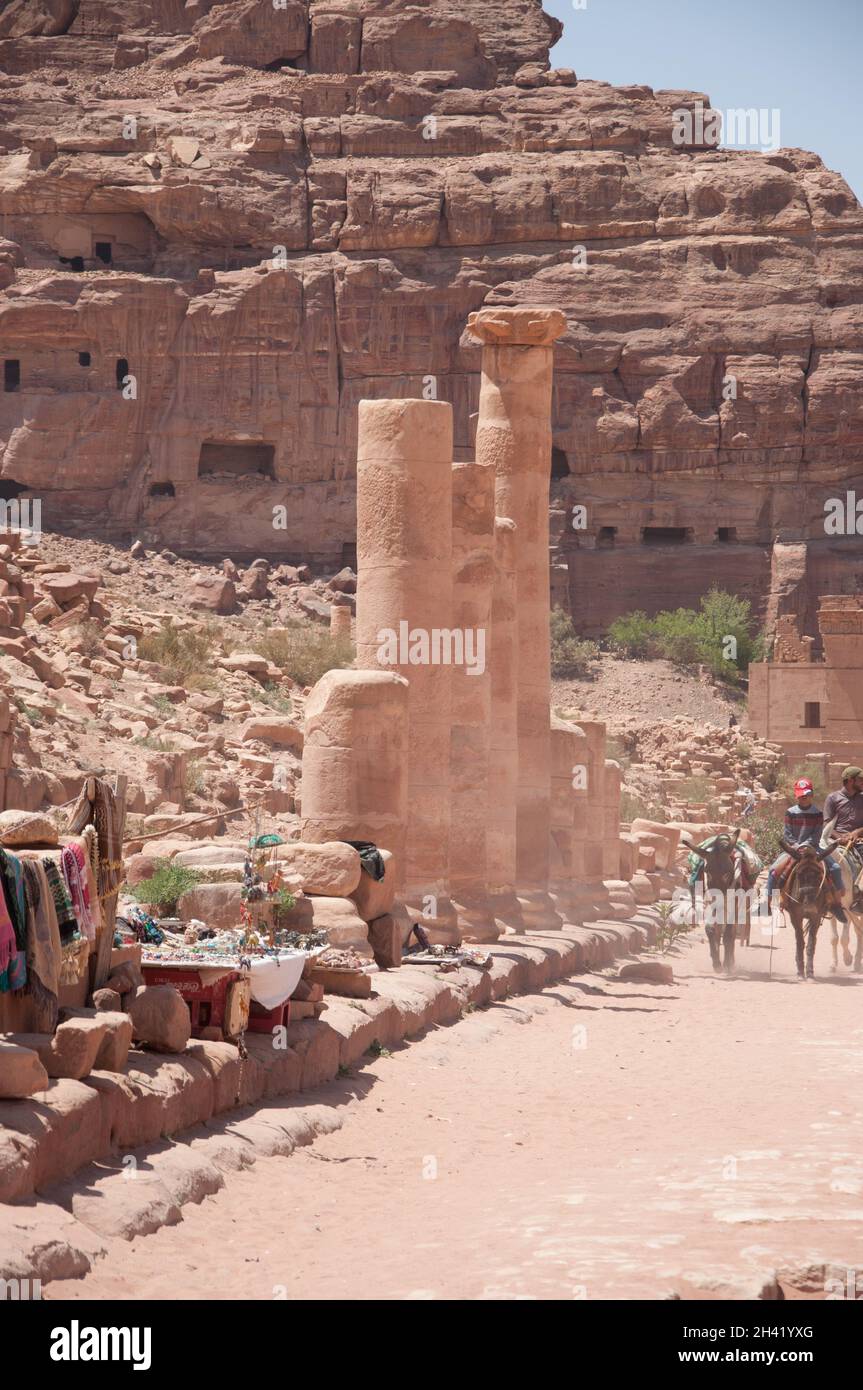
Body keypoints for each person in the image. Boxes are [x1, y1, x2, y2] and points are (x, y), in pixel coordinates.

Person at [766, 778, 847, 921]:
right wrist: (797, 846)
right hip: (793, 849)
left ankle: (837, 904)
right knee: (773, 871)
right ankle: (768, 902)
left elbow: (816, 834)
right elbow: (787, 834)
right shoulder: (790, 812)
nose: (804, 798)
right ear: (796, 795)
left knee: (835, 868)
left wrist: (806, 845)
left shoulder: (817, 813)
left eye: (807, 795)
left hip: (813, 848)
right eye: (801, 795)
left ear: (812, 795)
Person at [823, 766, 863, 908]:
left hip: (859, 841)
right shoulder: (832, 798)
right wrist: (840, 838)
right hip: (835, 840)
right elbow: (827, 823)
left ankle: (859, 897)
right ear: (851, 781)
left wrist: (856, 832)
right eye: (860, 780)